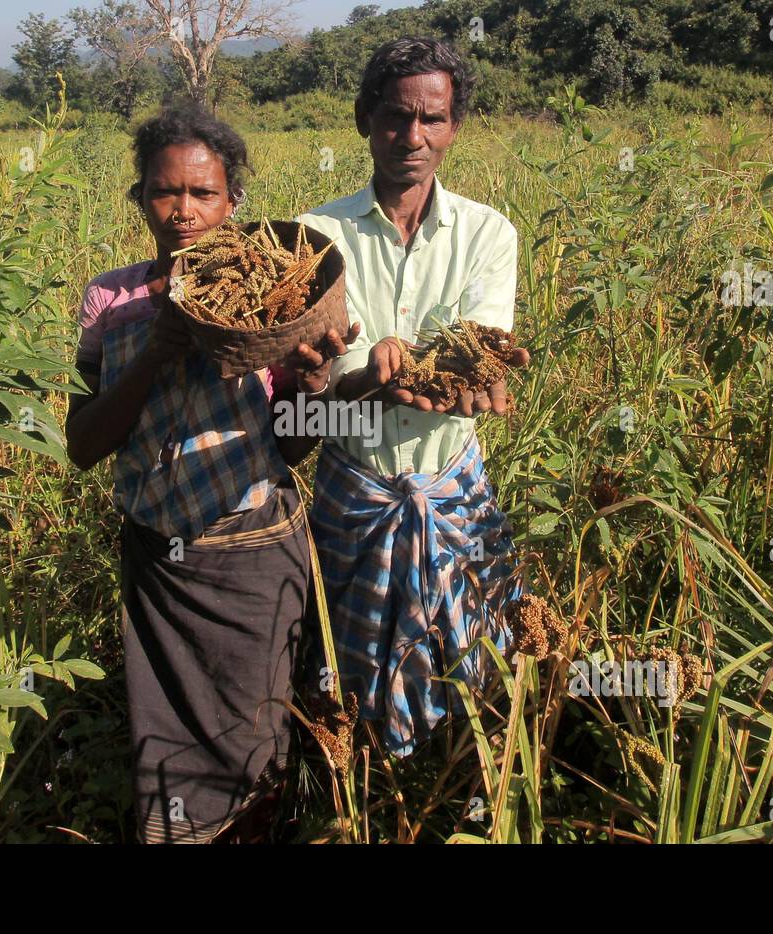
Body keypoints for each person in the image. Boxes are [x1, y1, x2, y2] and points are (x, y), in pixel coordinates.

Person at [66, 102, 356, 842]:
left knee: (254, 743)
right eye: (167, 192)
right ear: (140, 199)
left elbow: (292, 448)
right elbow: (83, 443)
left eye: (204, 195)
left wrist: (313, 382)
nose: (185, 212)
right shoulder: (111, 301)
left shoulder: (266, 299)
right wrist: (159, 348)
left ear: (234, 203)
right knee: (166, 745)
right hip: (156, 561)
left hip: (251, 553)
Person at [297, 37, 531, 757]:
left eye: (433, 119)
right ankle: (358, 781)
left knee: (469, 660)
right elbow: (316, 376)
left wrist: (445, 373)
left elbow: (478, 346)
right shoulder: (316, 233)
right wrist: (373, 370)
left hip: (452, 482)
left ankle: (457, 778)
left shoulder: (488, 233)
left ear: (454, 126)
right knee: (347, 664)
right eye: (396, 117)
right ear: (365, 119)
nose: (414, 137)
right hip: (356, 489)